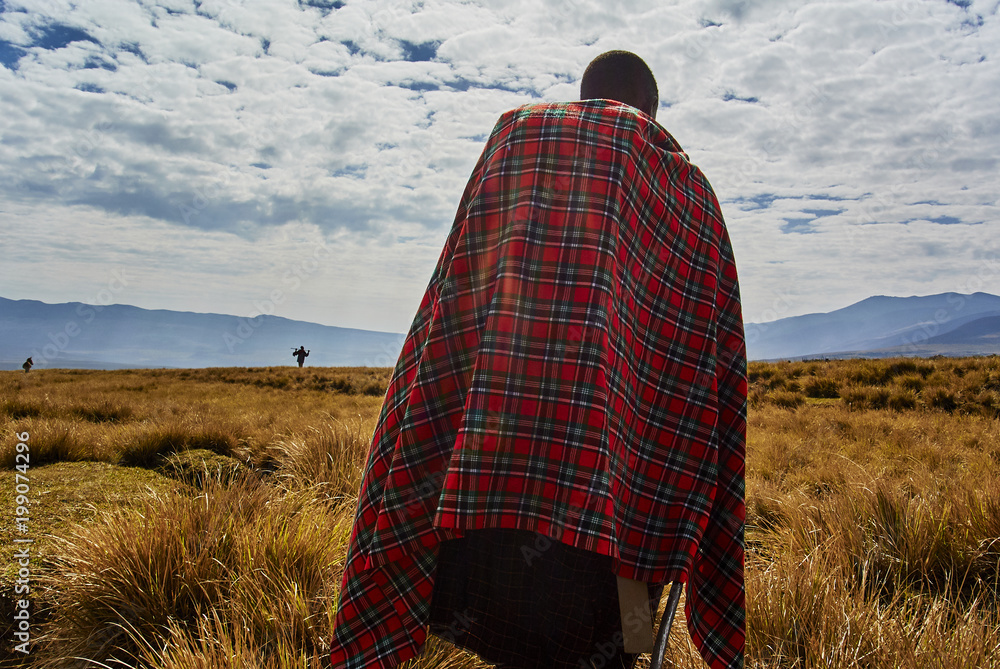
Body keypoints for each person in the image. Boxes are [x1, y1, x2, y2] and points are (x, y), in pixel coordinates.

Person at [329, 50, 746, 669]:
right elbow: (716, 359)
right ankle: (628, 650)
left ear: (583, 95)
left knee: (514, 631)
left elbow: (458, 290)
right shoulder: (689, 191)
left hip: (491, 478)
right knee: (623, 635)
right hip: (630, 504)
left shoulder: (520, 137)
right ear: (653, 111)